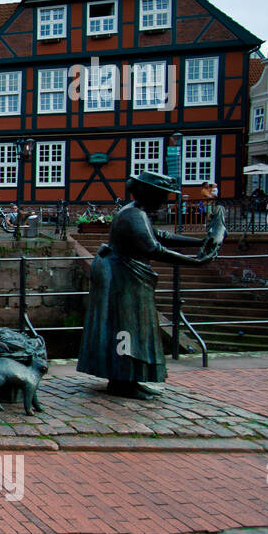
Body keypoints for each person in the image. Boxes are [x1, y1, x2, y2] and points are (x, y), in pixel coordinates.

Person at [77, 171, 222, 400]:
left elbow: (159, 236)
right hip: (123, 280)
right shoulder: (133, 215)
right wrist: (194, 262)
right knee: (126, 327)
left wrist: (199, 242)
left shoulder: (137, 213)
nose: (166, 200)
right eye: (164, 195)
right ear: (151, 194)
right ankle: (122, 380)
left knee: (129, 327)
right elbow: (154, 248)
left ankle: (128, 378)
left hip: (128, 277)